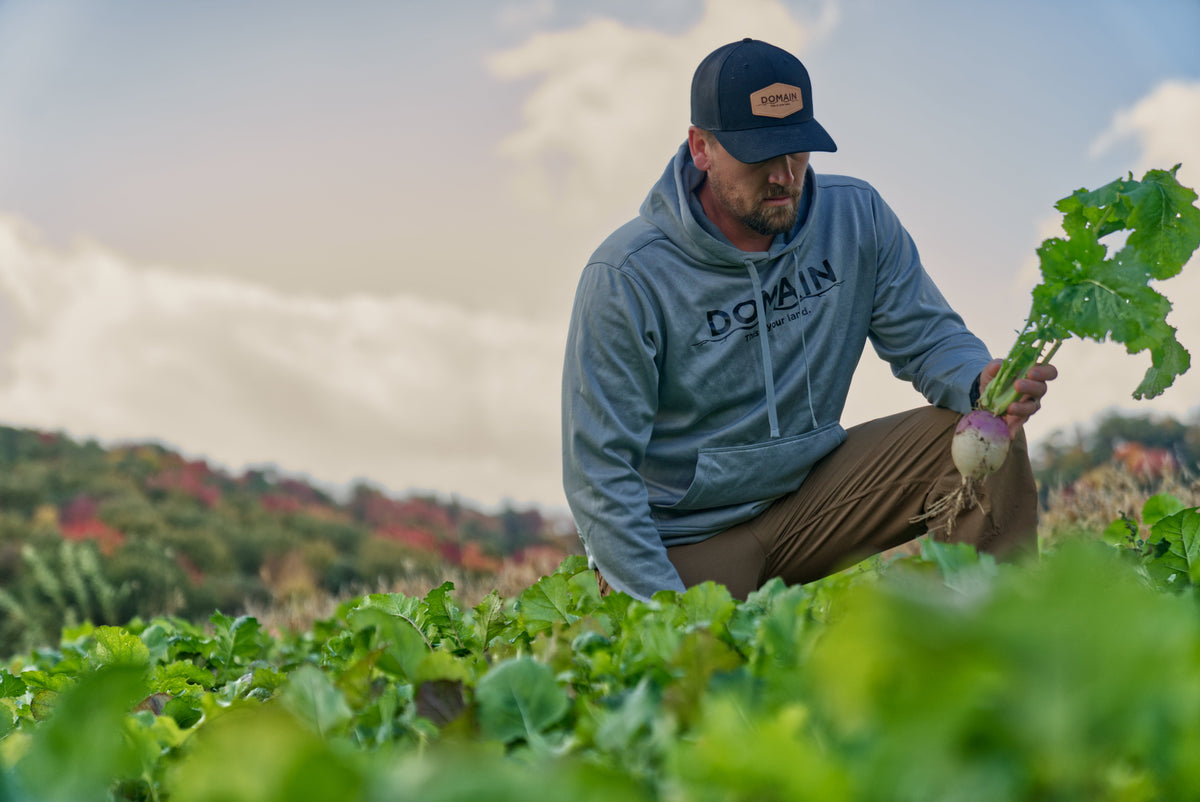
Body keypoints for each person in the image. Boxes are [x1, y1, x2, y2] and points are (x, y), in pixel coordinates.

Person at [561, 38, 1056, 602]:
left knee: (978, 435)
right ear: (702, 147)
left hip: (812, 504)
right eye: (761, 153)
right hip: (687, 544)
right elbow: (600, 477)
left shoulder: (856, 216)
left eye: (797, 148)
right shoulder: (627, 275)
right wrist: (664, 612)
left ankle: (1002, 639)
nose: (784, 174)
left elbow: (927, 336)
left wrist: (978, 380)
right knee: (697, 677)